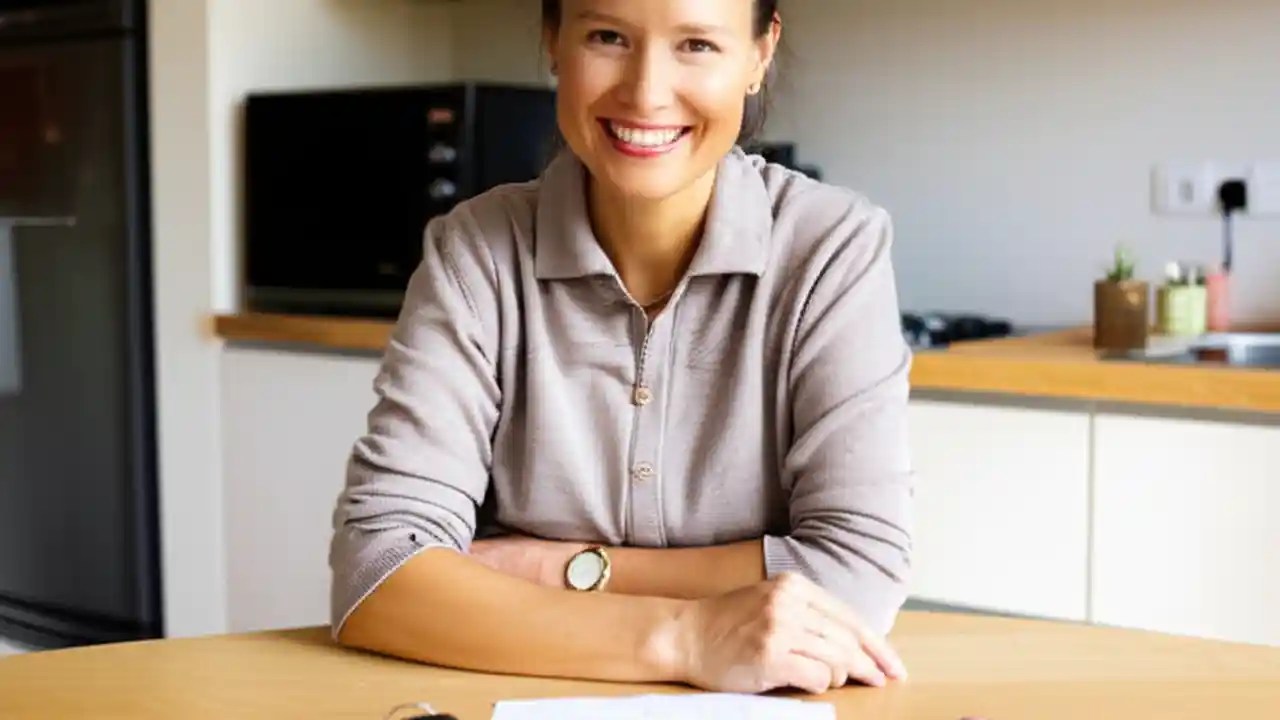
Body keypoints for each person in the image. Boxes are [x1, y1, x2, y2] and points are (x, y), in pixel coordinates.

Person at [329, 0, 915, 697]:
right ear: (554, 39)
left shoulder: (831, 247)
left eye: (696, 44)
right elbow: (378, 571)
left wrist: (563, 568)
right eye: (608, 36)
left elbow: (857, 572)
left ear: (759, 56)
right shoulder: (474, 253)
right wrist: (686, 637)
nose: (645, 91)